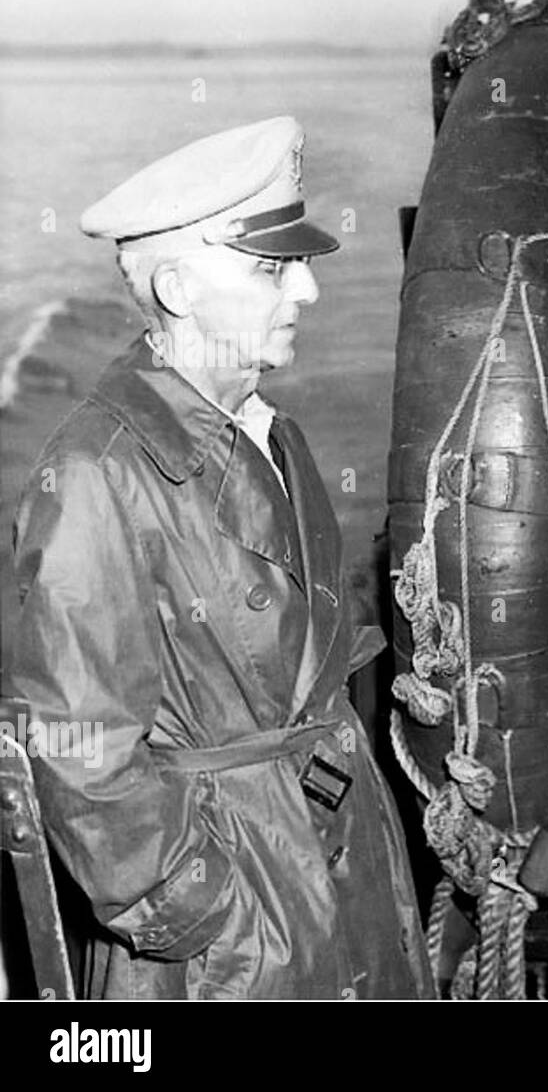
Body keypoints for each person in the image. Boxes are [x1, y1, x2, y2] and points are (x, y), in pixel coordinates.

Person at [8, 117, 434, 999]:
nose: (310, 291)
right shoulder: (96, 474)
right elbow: (81, 749)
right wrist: (208, 919)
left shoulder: (277, 436)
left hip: (336, 867)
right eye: (273, 266)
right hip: (226, 942)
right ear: (177, 287)